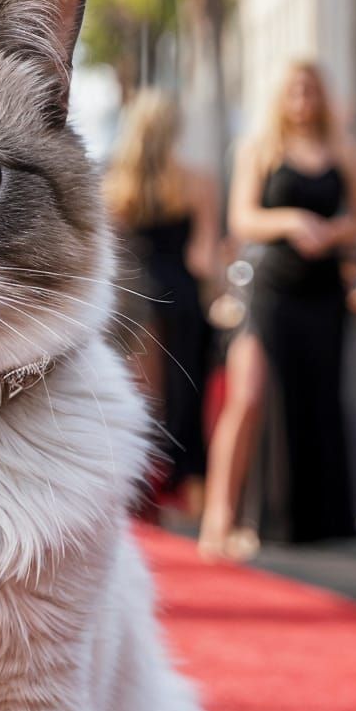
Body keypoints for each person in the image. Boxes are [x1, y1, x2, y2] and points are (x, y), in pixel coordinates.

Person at [199, 59, 356, 558]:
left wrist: (330, 232)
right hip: (270, 285)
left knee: (316, 396)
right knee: (247, 395)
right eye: (294, 91)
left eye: (310, 91)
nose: (302, 100)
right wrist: (293, 221)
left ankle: (306, 518)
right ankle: (219, 517)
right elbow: (243, 218)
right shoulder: (259, 147)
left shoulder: (345, 150)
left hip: (323, 290)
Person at [102, 88, 217, 515]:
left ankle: (137, 493)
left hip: (134, 299)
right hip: (183, 298)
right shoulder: (197, 182)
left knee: (139, 395)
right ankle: (191, 490)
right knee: (187, 395)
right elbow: (203, 258)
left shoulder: (112, 186)